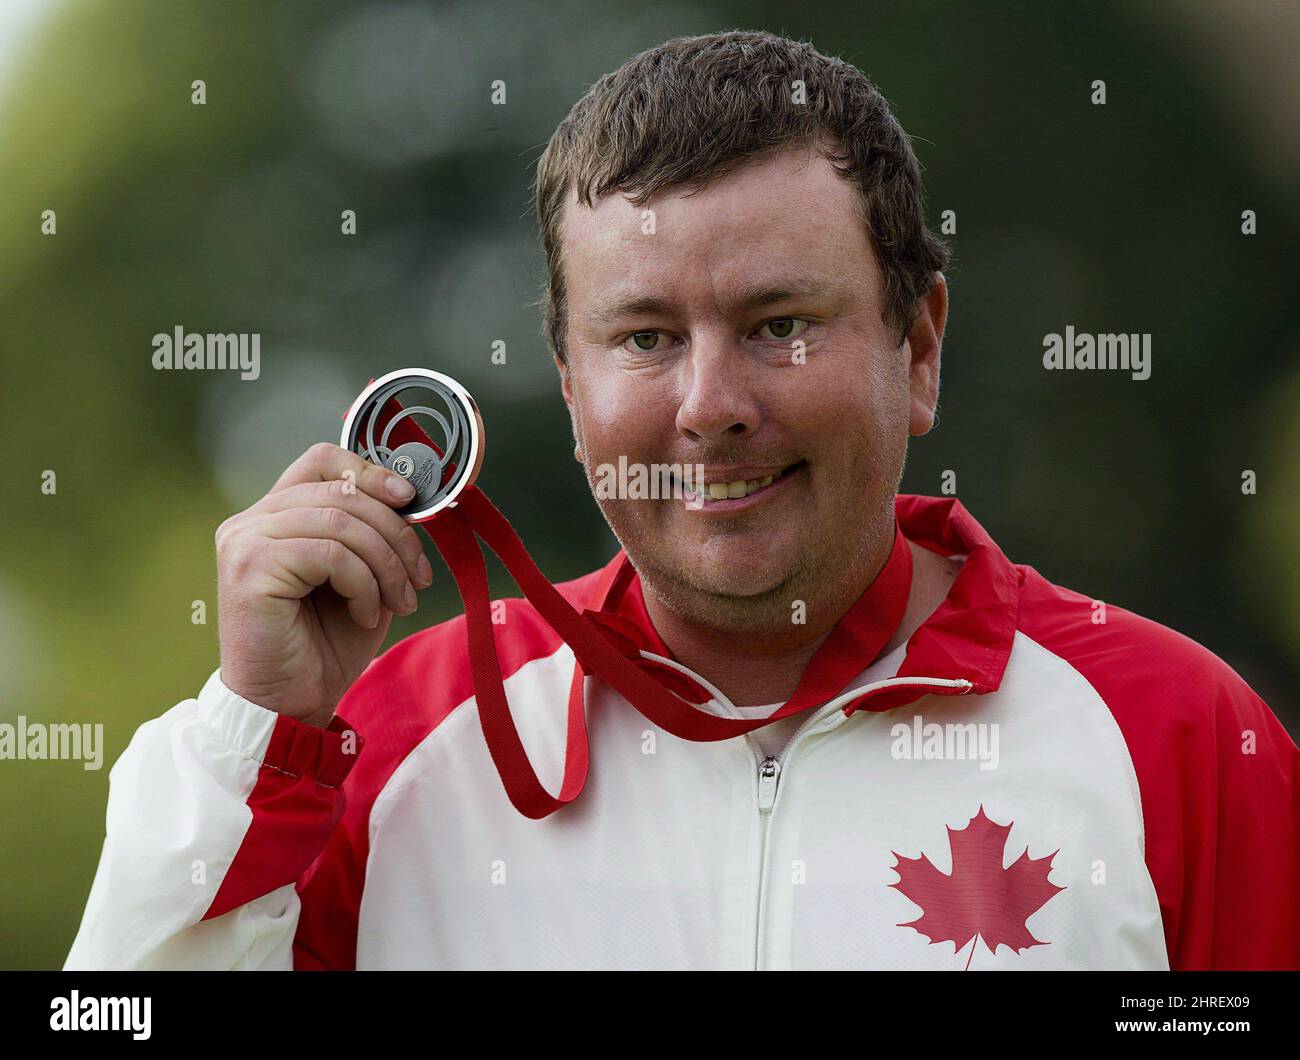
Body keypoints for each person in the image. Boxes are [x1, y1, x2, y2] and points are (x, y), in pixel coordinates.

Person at [66, 29, 1298, 971]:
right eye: (645, 337)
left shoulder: (1175, 739)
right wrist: (252, 736)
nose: (709, 404)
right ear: (568, 378)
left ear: (917, 349)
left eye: (779, 324)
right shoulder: (375, 748)